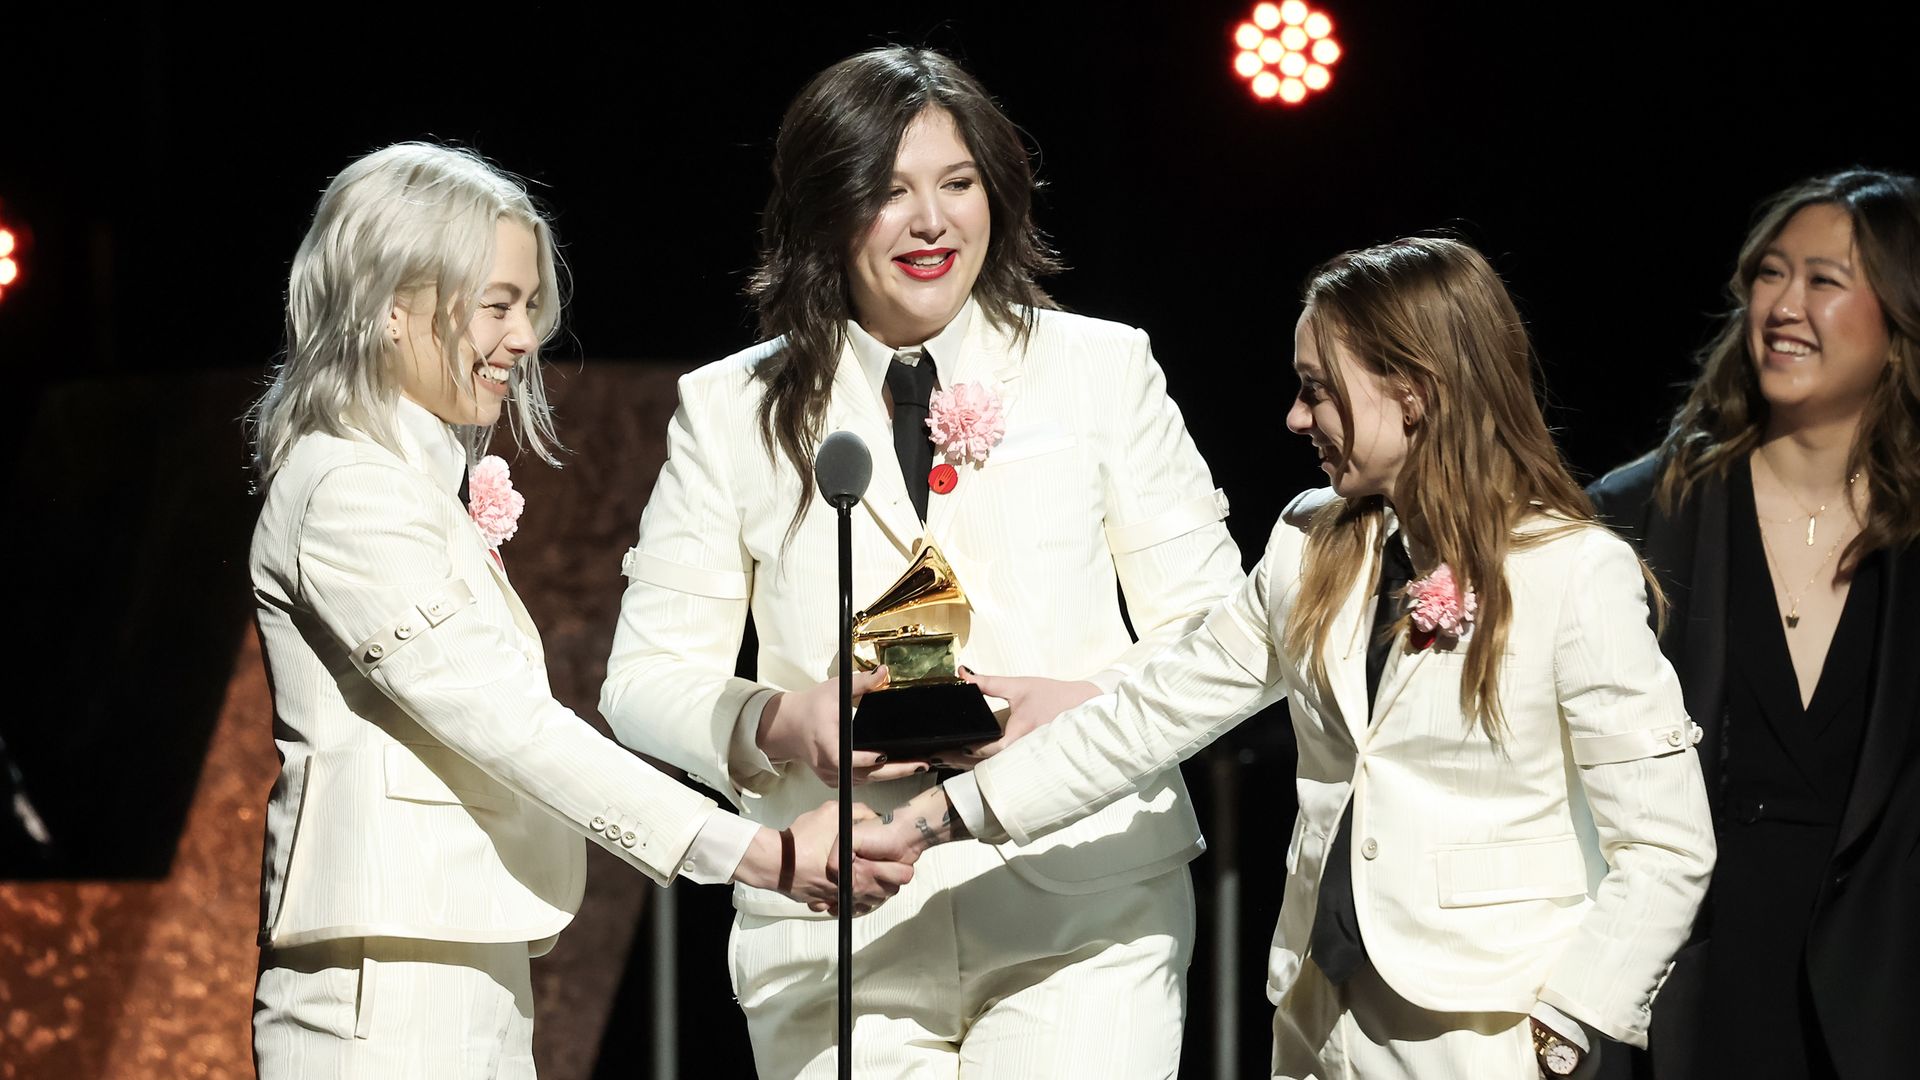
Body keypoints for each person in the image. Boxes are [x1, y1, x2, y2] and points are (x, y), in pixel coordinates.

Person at [865, 237, 1718, 1079]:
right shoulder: (1311, 544)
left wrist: (1565, 1031)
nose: (1296, 417)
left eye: (1318, 390)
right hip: (1320, 1016)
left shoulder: (1571, 570)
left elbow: (1668, 844)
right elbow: (1151, 715)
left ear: (1412, 394)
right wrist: (937, 822)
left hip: (1480, 1030)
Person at [600, 47, 1244, 1077]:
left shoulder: (1100, 370)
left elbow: (1220, 638)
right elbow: (639, 683)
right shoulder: (731, 410)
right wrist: (777, 720)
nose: (933, 223)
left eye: (958, 185)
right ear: (823, 209)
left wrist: (1073, 702)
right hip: (840, 916)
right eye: (889, 193)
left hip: (1083, 900)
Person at [245, 142, 914, 1078]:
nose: (525, 339)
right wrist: (756, 853)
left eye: (529, 307)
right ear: (393, 307)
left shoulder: (399, 481)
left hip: (451, 958)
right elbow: (507, 725)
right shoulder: (348, 490)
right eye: (497, 305)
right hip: (384, 986)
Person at [1586, 169, 1920, 1080]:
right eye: (1770, 274)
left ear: (1899, 319)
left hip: (1889, 997)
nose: (1784, 304)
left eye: (1824, 279)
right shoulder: (1642, 512)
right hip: (1694, 990)